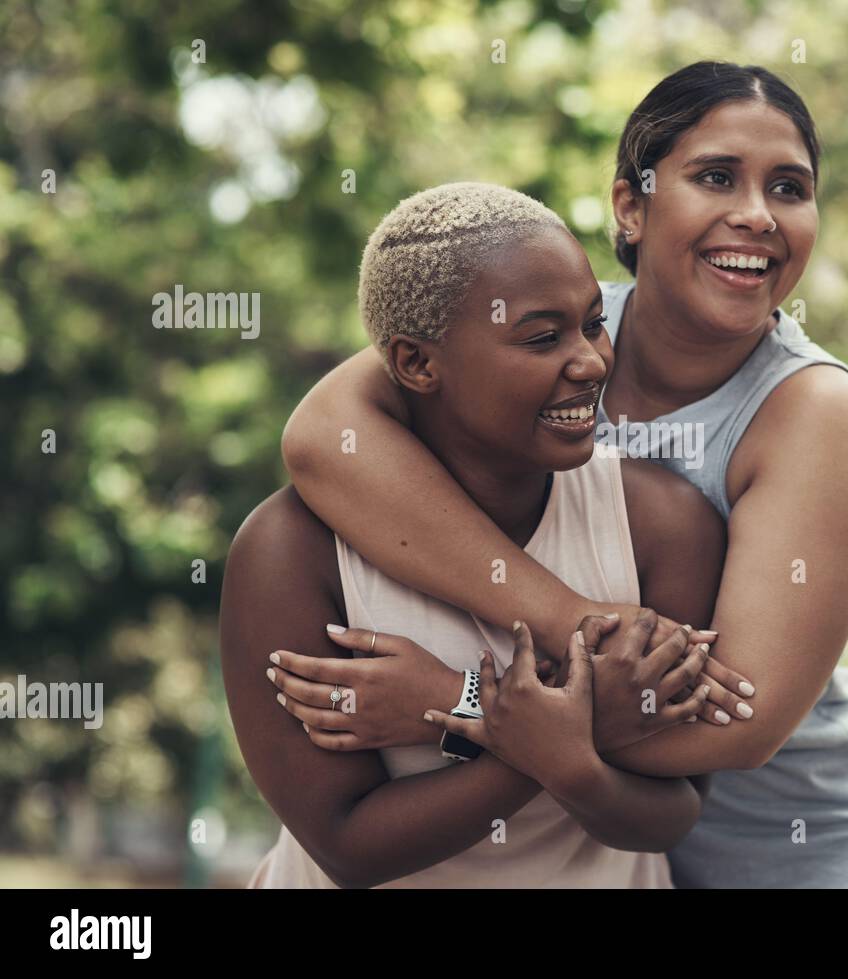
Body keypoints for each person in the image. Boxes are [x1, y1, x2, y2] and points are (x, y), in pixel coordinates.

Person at [277, 62, 848, 888]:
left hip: (808, 857)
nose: (757, 214)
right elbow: (326, 439)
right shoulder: (552, 323)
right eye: (717, 176)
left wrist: (456, 701)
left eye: (790, 188)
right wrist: (592, 624)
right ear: (631, 205)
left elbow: (742, 724)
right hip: (622, 860)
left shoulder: (811, 406)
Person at [221, 182, 727, 887]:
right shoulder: (292, 550)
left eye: (593, 323)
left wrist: (478, 715)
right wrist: (562, 738)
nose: (591, 362)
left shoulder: (663, 526)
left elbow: (672, 812)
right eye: (543, 337)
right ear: (417, 364)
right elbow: (349, 843)